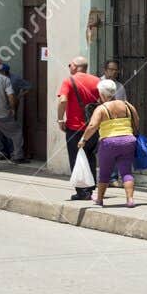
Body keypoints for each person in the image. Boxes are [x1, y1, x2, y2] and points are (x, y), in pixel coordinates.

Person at [79, 79, 140, 208]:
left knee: (104, 173)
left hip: (109, 142)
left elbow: (92, 125)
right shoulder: (128, 105)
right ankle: (130, 200)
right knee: (126, 172)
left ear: (102, 94)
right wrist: (131, 133)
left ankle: (99, 199)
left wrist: (83, 139)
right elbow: (136, 120)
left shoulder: (101, 108)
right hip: (128, 140)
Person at [57, 56, 101, 200]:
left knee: (76, 158)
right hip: (93, 127)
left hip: (74, 127)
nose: (69, 67)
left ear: (75, 66)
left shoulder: (68, 81)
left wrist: (60, 119)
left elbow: (63, 100)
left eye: (70, 65)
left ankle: (82, 191)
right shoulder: (97, 81)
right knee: (90, 157)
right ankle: (91, 189)